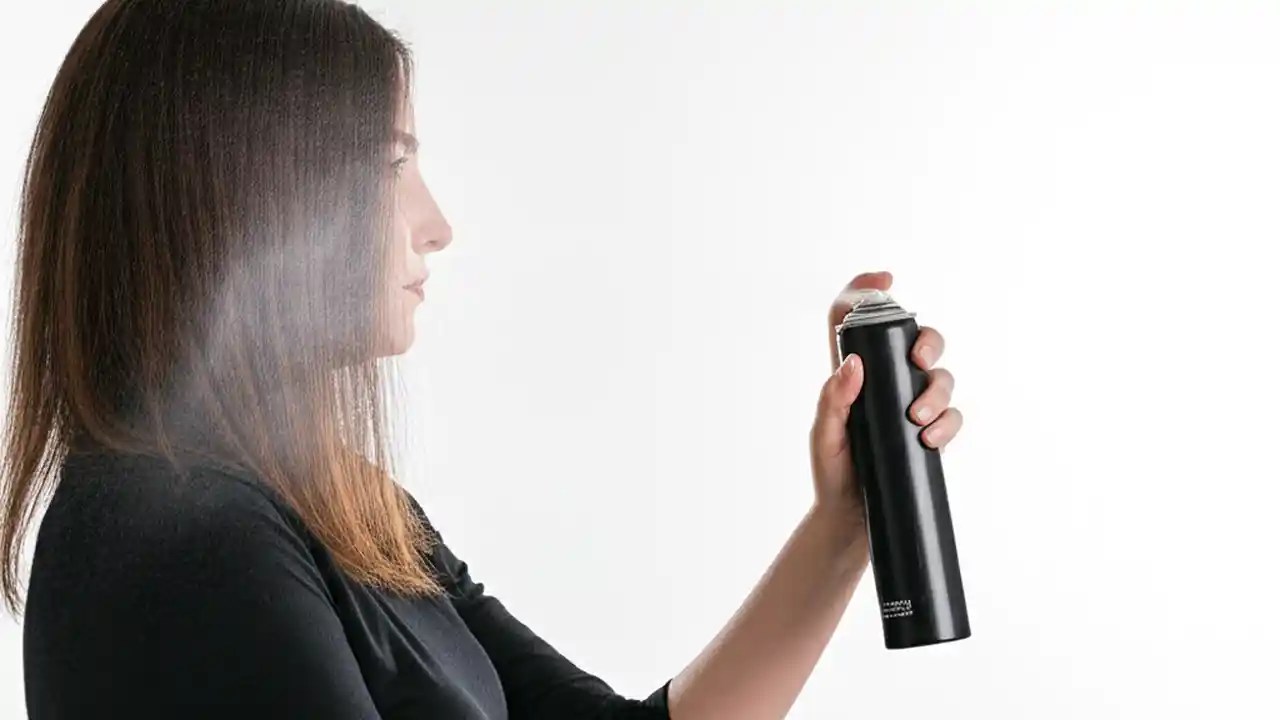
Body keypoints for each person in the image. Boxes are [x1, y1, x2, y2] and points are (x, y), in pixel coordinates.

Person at [0, 1, 965, 718]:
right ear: (250, 191)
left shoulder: (348, 514)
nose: (436, 226)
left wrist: (846, 522)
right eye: (390, 166)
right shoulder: (182, 546)